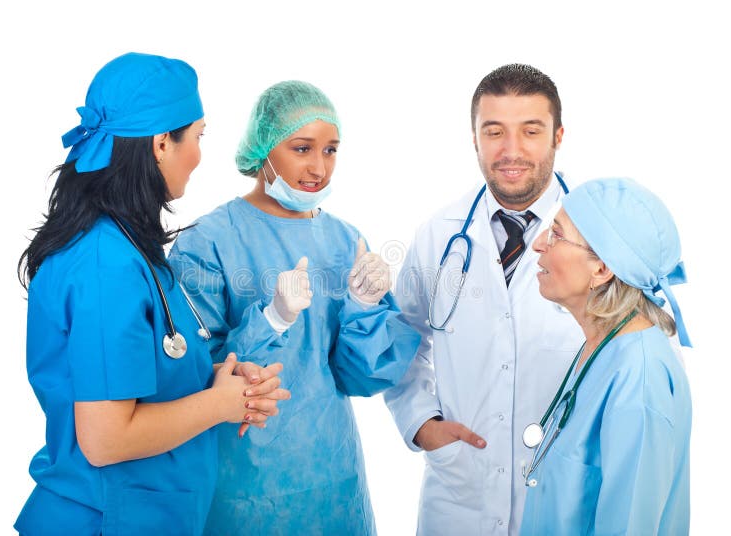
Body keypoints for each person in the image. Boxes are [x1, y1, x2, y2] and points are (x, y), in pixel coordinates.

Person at [14, 52, 289, 536]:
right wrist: (219, 406)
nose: (199, 155)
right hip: (105, 520)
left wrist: (219, 382)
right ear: (162, 143)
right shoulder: (106, 264)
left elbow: (135, 373)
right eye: (199, 136)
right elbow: (105, 438)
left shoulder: (122, 247)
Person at [168, 80, 421, 535]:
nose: (318, 167)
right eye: (302, 148)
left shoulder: (345, 240)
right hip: (244, 483)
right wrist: (272, 319)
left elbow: (358, 379)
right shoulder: (207, 241)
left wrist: (364, 308)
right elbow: (192, 376)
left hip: (335, 480)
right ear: (263, 147)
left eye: (330, 150)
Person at [384, 63, 585, 534]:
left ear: (558, 136)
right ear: (474, 139)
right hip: (461, 495)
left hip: (564, 492)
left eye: (530, 131)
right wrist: (422, 424)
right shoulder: (439, 235)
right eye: (494, 132)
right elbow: (401, 343)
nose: (511, 150)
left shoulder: (596, 238)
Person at [520, 177, 691, 534]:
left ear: (601, 268)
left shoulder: (639, 376)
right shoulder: (602, 345)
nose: (537, 244)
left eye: (556, 234)